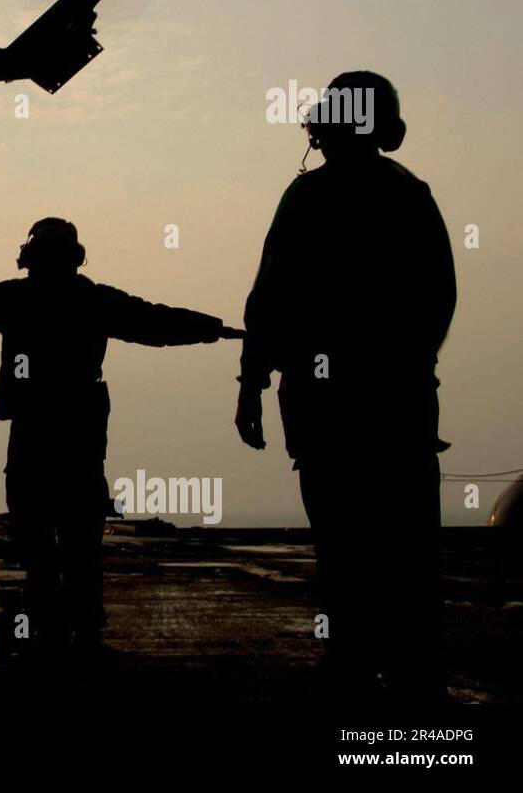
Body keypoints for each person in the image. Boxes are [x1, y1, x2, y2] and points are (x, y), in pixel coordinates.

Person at [0, 218, 242, 658]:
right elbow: (155, 321)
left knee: (38, 521)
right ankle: (81, 619)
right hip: (77, 423)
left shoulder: (18, 297)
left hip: (39, 421)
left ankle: (55, 618)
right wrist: (215, 329)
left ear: (30, 257)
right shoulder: (91, 300)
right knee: (77, 526)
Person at [235, 71, 456, 701]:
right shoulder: (410, 194)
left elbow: (269, 299)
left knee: (341, 548)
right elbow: (438, 298)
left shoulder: (307, 198)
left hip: (326, 406)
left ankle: (352, 670)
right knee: (409, 550)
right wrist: (404, 369)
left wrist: (252, 382)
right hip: (398, 405)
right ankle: (416, 684)